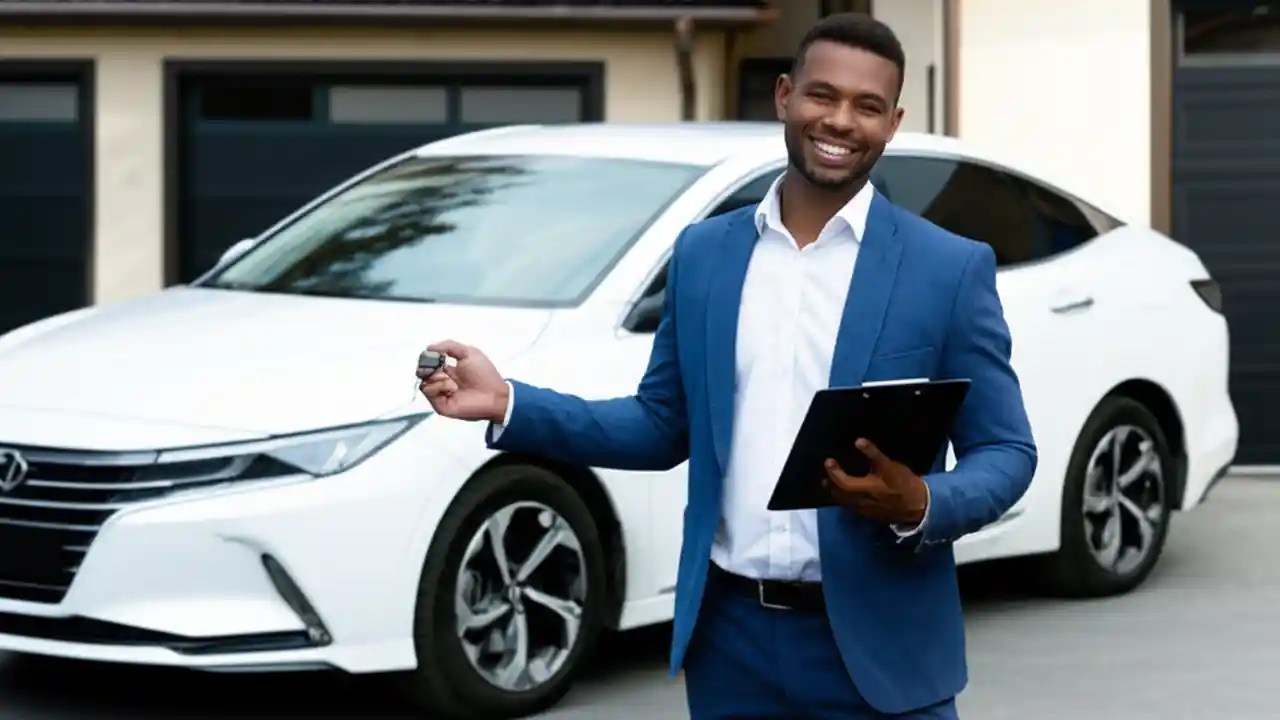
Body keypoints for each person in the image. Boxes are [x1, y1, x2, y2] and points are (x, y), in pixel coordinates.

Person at [418, 12, 1036, 720]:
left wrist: (922, 502)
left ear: (892, 123)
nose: (840, 121)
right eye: (822, 95)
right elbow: (661, 425)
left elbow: (1006, 451)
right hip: (731, 646)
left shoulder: (947, 268)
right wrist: (509, 402)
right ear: (784, 96)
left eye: (867, 106)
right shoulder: (705, 254)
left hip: (883, 652)